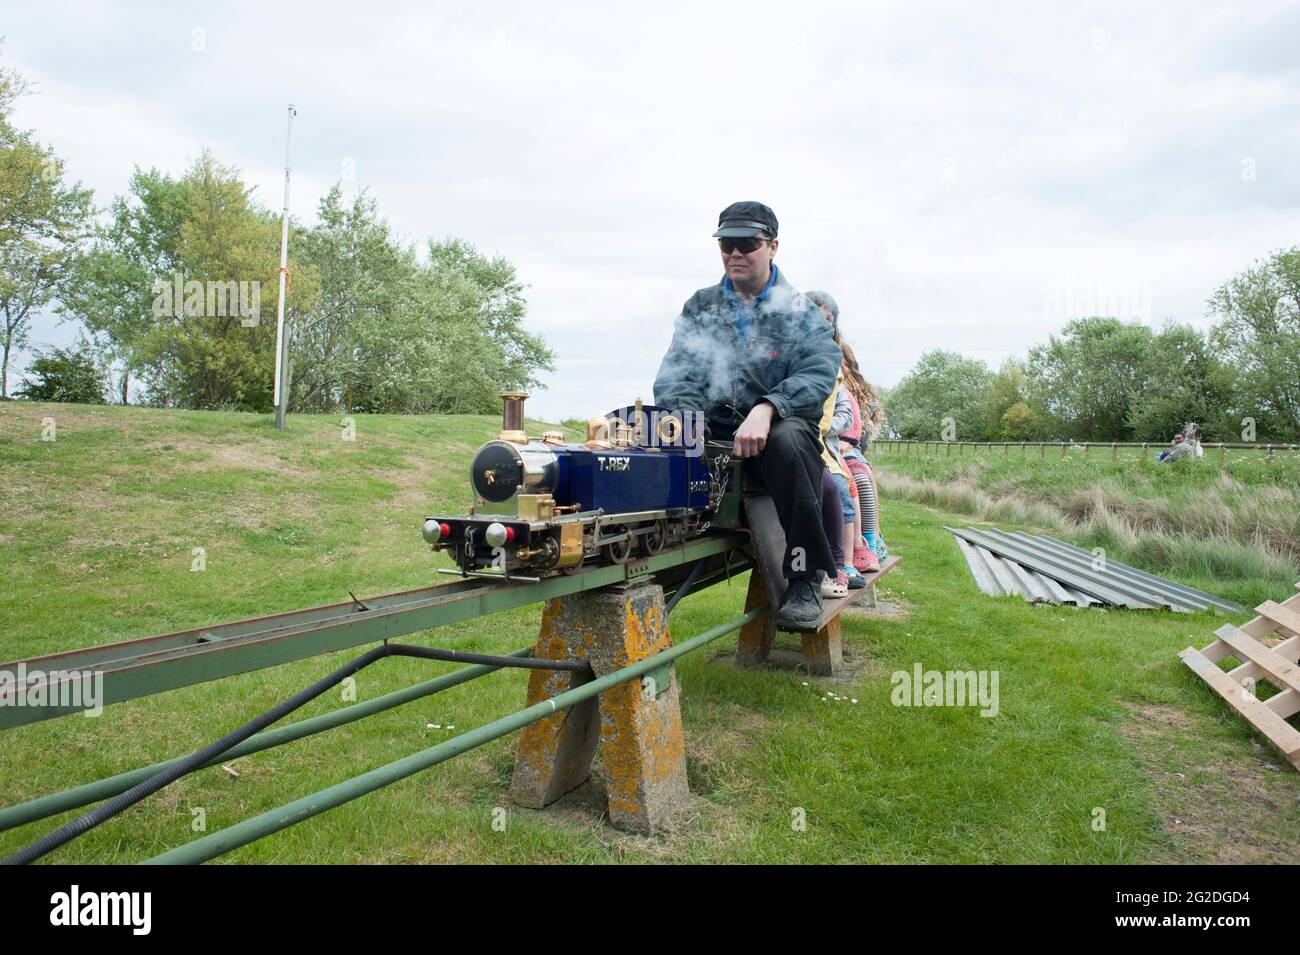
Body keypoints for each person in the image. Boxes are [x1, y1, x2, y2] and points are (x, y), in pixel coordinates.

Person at [653, 201, 841, 629]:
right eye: (726, 244)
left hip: (778, 442)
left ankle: (804, 577)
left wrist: (768, 407)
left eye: (747, 243)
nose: (735, 253)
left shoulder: (802, 312)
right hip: (713, 438)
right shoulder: (700, 306)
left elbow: (818, 372)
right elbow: (674, 376)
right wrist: (688, 419)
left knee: (790, 438)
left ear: (773, 246)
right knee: (652, 435)